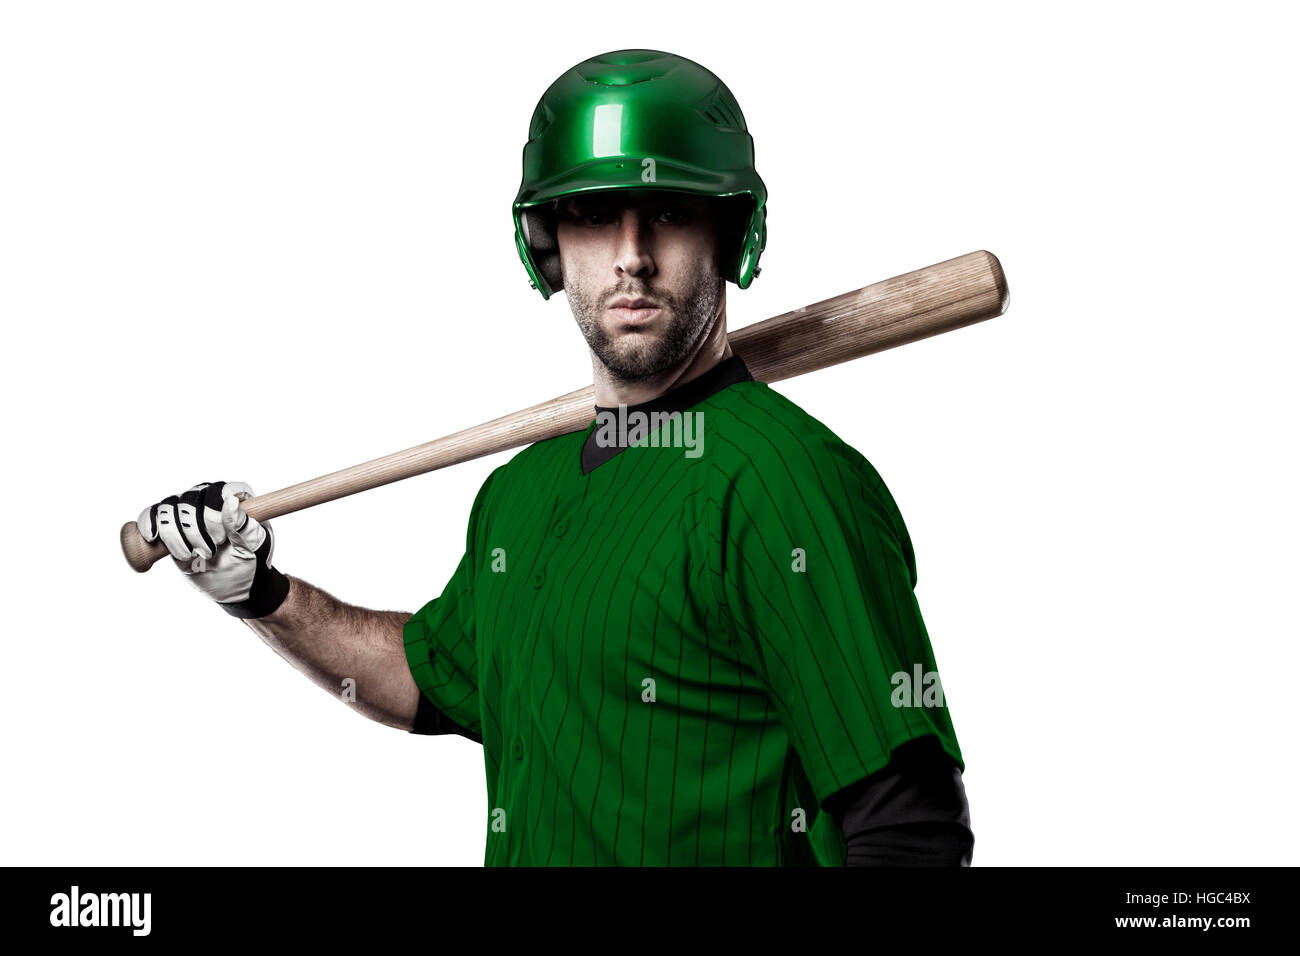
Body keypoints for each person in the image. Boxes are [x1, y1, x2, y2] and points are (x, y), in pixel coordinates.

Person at [138, 49, 974, 866]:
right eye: (595, 214)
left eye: (672, 213)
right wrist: (262, 594)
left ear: (729, 233)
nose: (632, 256)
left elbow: (910, 829)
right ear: (548, 244)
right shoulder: (522, 492)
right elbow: (432, 679)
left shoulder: (786, 481)